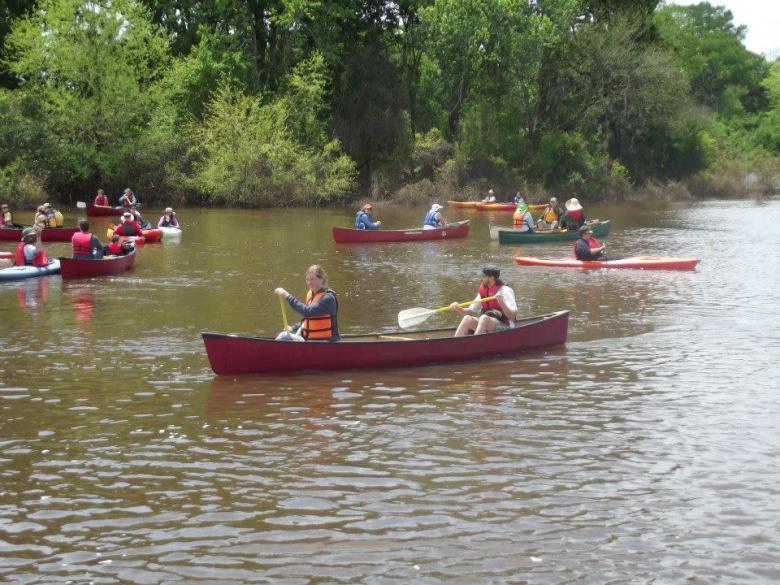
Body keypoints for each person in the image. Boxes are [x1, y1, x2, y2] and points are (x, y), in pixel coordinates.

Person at [274, 265, 340, 342]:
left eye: (312, 279)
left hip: (326, 341)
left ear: (322, 279)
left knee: (283, 336)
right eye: (307, 279)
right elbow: (308, 319)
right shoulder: (312, 295)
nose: (309, 283)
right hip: (311, 340)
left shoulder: (328, 298)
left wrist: (287, 295)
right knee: (285, 334)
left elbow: (307, 311)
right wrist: (293, 327)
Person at [451, 267, 518, 337]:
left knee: (484, 318)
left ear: (491, 278)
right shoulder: (484, 290)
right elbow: (470, 311)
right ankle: (455, 342)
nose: (481, 278)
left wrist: (501, 302)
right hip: (487, 323)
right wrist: (458, 308)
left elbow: (512, 316)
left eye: (483, 276)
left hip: (506, 325)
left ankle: (475, 342)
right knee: (467, 318)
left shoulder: (505, 290)